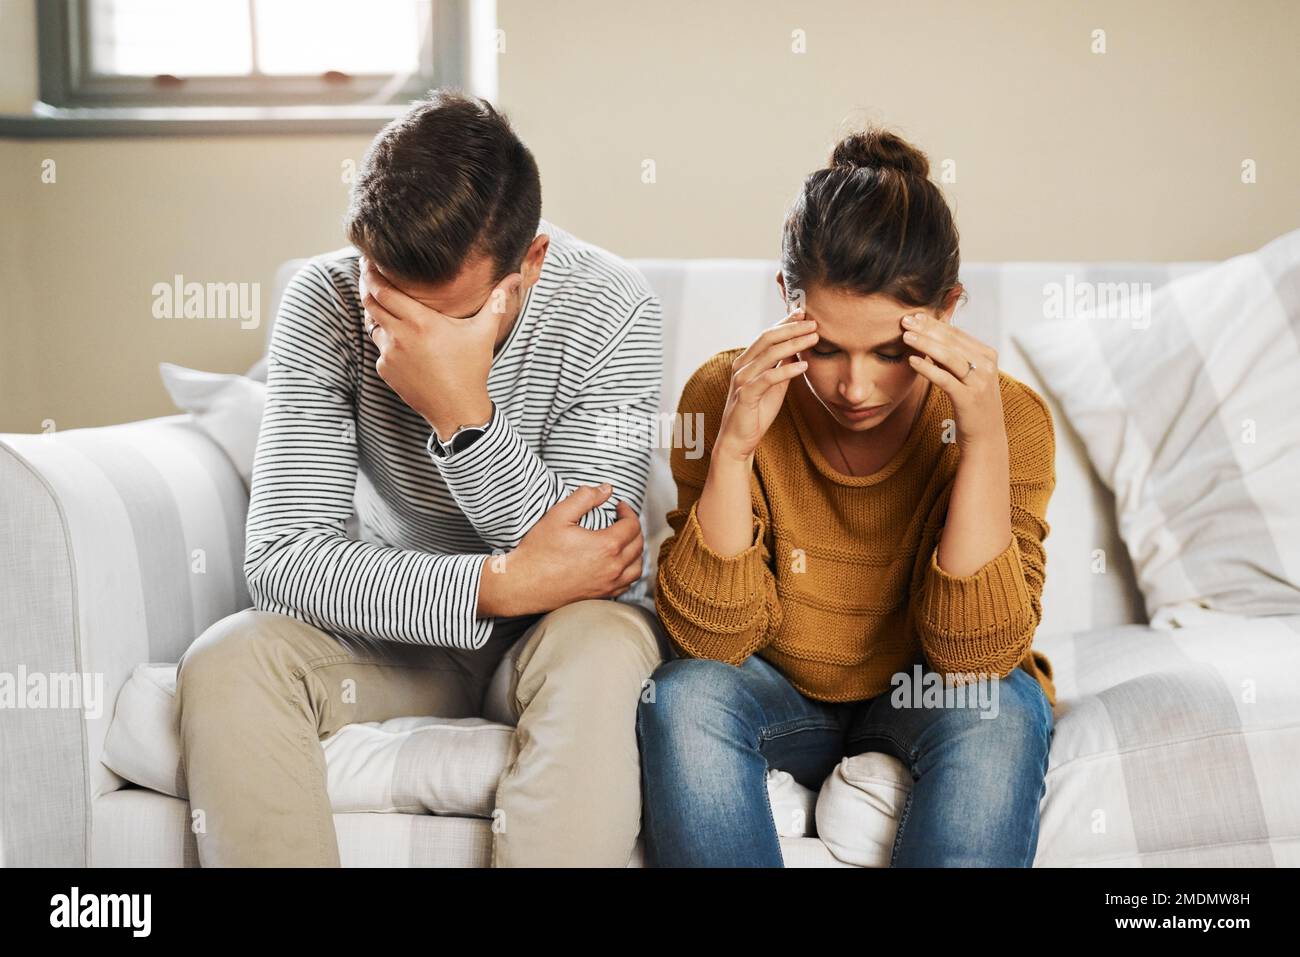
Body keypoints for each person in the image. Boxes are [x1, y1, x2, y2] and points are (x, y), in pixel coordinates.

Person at [176, 90, 670, 867]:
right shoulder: (325, 298)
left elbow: (597, 563)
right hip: (400, 640)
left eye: (446, 316)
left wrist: (462, 413)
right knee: (229, 657)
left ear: (525, 266)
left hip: (556, 639)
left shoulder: (610, 306)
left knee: (606, 643)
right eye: (384, 294)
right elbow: (281, 556)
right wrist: (497, 583)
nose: (396, 334)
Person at [638, 127, 1057, 867]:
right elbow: (713, 639)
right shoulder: (724, 393)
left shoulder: (1009, 417)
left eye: (891, 353)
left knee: (1002, 709)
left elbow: (977, 656)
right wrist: (734, 446)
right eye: (825, 347)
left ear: (949, 309)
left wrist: (982, 443)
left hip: (929, 692)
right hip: (782, 697)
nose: (854, 387)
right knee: (682, 695)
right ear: (787, 300)